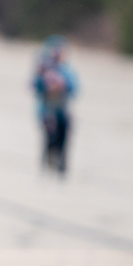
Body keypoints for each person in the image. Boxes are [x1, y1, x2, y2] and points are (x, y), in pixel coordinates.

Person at [33, 36, 78, 175]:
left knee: (64, 139)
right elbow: (36, 87)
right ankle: (46, 165)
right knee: (49, 139)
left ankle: (61, 167)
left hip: (62, 112)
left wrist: (62, 85)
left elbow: (74, 88)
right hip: (47, 111)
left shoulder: (67, 70)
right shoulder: (43, 69)